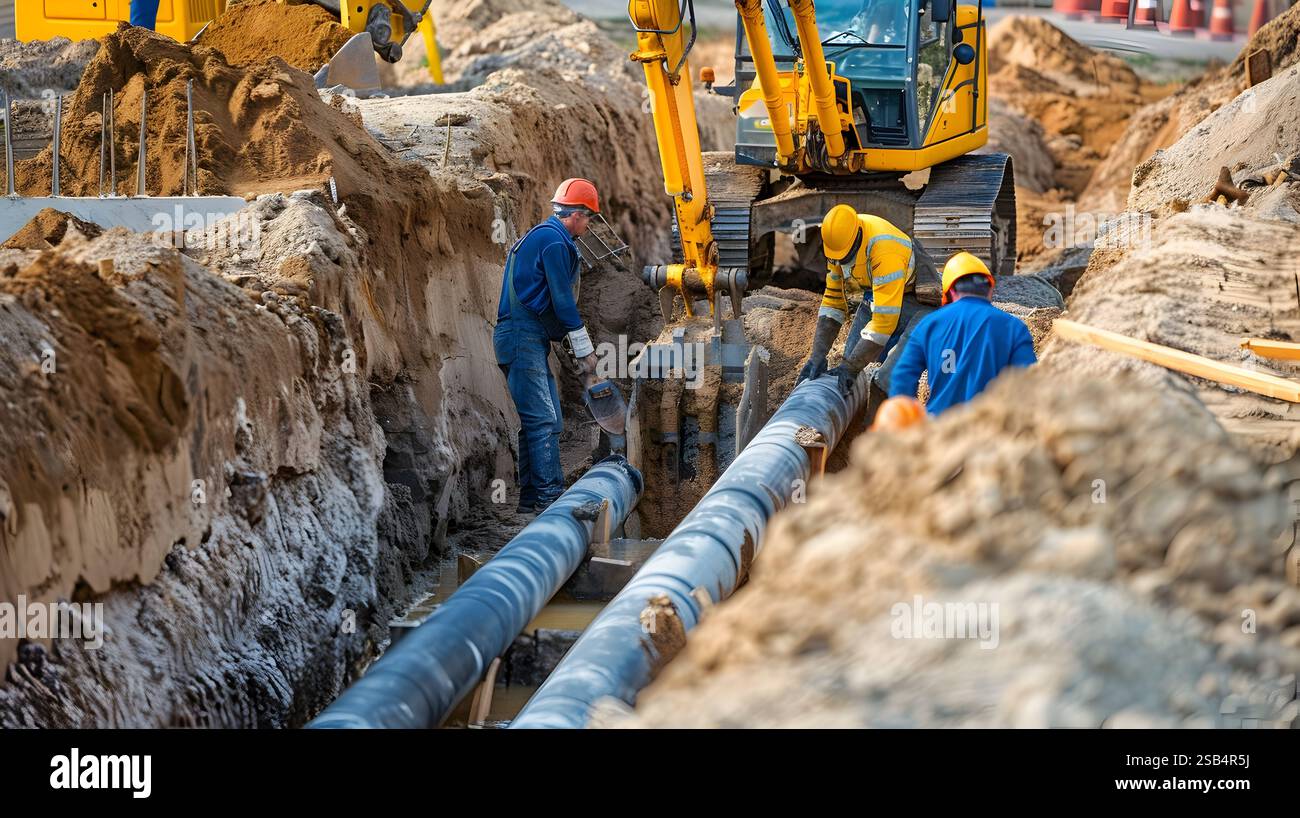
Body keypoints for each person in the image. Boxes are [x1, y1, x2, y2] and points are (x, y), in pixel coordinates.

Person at [493, 179, 602, 514]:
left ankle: (530, 501)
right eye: (588, 218)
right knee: (544, 420)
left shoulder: (544, 236)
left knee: (541, 422)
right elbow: (562, 301)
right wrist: (585, 349)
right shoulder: (554, 241)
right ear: (576, 214)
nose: (588, 226)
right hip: (521, 338)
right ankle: (550, 501)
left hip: (523, 339)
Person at [797, 204, 937, 396]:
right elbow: (833, 301)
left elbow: (884, 322)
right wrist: (817, 356)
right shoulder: (839, 244)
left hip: (917, 299)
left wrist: (852, 367)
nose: (840, 263)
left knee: (888, 378)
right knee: (851, 365)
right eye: (837, 259)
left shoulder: (885, 250)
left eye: (845, 258)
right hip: (877, 293)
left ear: (857, 242)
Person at [887, 252, 1037, 416]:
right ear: (989, 290)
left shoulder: (929, 325)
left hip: (939, 429)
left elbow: (902, 378)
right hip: (992, 431)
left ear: (950, 292)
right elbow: (1028, 384)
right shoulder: (1014, 327)